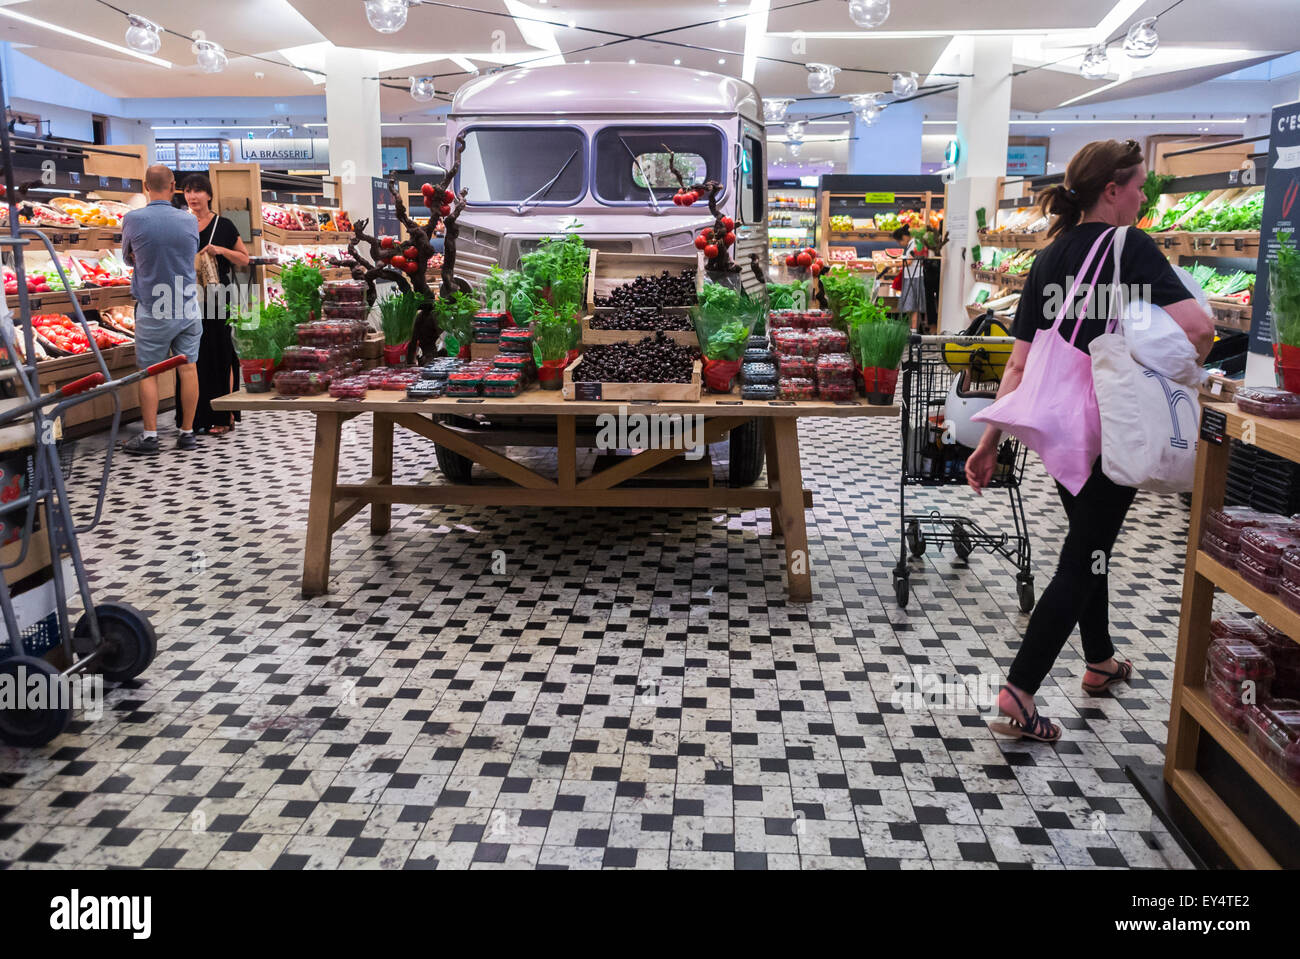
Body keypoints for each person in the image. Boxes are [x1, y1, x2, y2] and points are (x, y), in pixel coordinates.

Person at [964, 139, 1215, 743]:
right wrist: (1181, 374)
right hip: (1114, 425)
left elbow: (1019, 366)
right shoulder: (1132, 246)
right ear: (1112, 190)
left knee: (1089, 541)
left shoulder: (1047, 260)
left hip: (1061, 429)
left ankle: (1099, 659)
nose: (1141, 197)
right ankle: (1020, 690)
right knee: (1084, 555)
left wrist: (989, 439)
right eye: (1136, 186)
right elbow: (1201, 327)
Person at [120, 164, 203, 456]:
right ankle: (187, 433)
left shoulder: (132, 219)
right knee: (189, 367)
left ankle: (151, 436)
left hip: (154, 307)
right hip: (186, 304)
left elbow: (127, 258)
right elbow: (190, 253)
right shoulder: (189, 220)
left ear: (145, 186)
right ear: (173, 187)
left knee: (149, 372)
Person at [181, 172, 249, 435]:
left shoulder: (224, 225)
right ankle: (194, 418)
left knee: (219, 353)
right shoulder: (181, 224)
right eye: (188, 190)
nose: (193, 196)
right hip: (186, 295)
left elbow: (244, 259)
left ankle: (224, 415)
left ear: (209, 194)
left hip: (218, 297)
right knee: (192, 355)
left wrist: (220, 251)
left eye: (198, 190)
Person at [891, 224, 925, 331]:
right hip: (911, 276)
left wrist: (892, 264)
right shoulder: (912, 244)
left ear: (904, 237)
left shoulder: (915, 244)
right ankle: (912, 329)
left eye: (899, 241)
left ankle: (914, 332)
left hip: (914, 277)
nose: (900, 244)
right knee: (911, 306)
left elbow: (909, 262)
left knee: (913, 306)